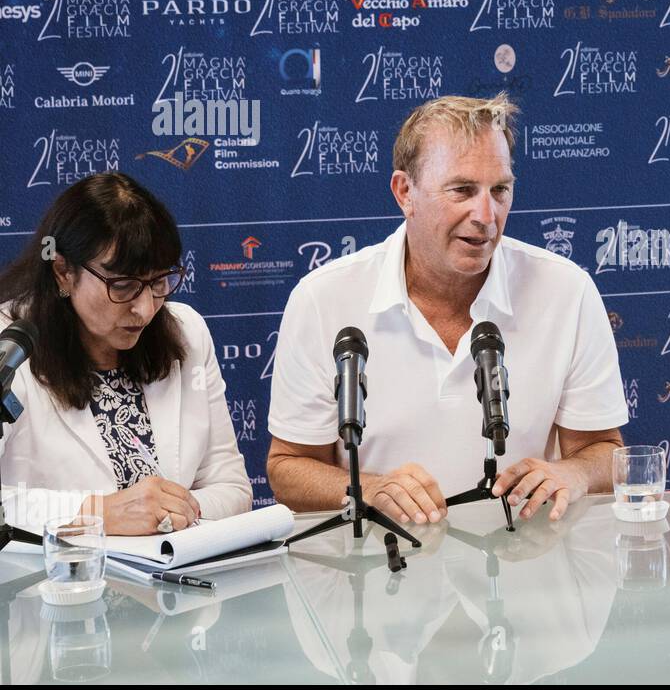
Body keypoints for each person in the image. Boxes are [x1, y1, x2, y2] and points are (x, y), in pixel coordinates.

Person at [267, 93, 627, 524]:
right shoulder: (323, 299)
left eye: (500, 191)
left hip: (525, 569)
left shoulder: (567, 290)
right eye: (462, 190)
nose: (486, 215)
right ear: (405, 192)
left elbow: (604, 452)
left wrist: (571, 473)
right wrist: (374, 491)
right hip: (378, 574)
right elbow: (287, 469)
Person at [0, 172, 252, 534]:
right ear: (63, 272)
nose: (146, 309)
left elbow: (233, 487)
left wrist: (173, 512)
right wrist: (98, 513)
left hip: (175, 579)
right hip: (58, 585)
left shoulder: (187, 331)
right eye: (123, 286)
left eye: (158, 282)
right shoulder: (9, 347)